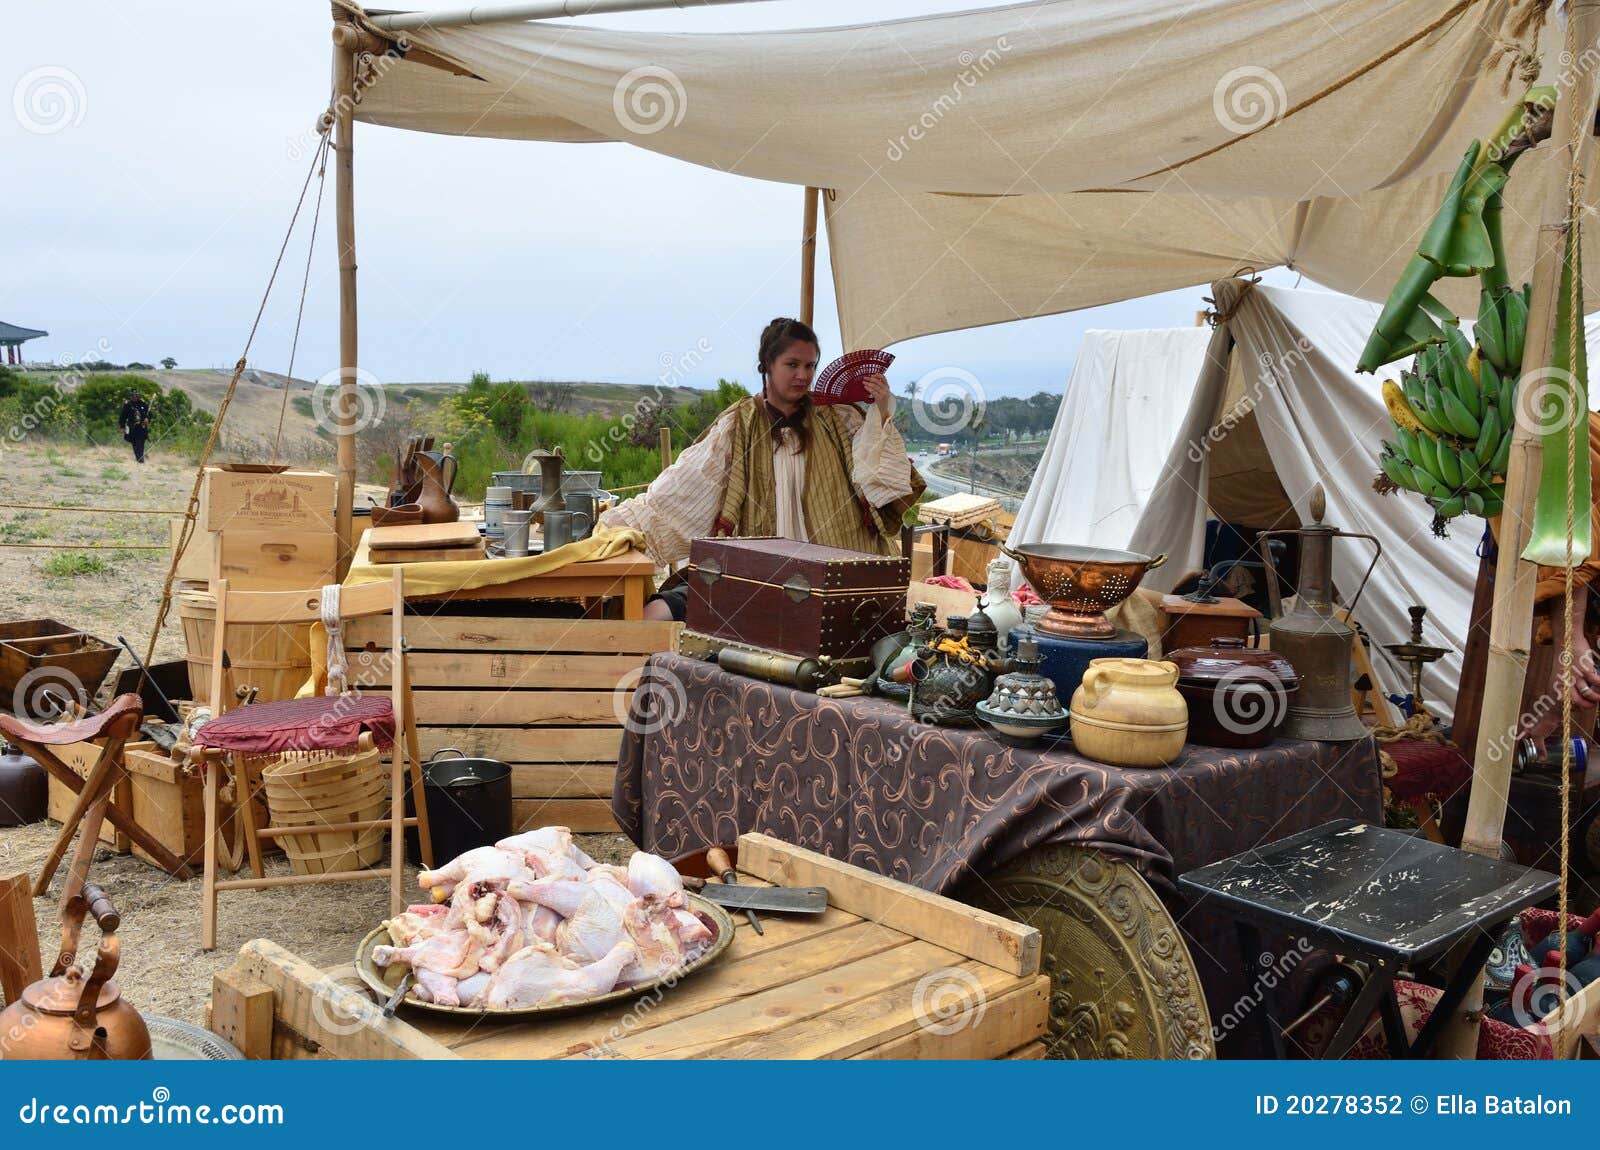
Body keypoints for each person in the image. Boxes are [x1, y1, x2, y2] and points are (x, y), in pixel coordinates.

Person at [599, 317, 925, 621]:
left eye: (810, 366)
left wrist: (882, 410)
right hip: (756, 574)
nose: (803, 375)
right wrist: (620, 524)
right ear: (767, 365)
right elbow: (683, 487)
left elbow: (876, 477)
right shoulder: (739, 425)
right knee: (660, 611)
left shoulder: (837, 419)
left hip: (826, 573)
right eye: (792, 365)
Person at [118, 388, 152, 463]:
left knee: (141, 443)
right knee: (135, 444)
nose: (134, 397)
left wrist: (147, 419)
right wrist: (122, 426)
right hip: (132, 428)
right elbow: (123, 416)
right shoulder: (127, 405)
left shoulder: (143, 404)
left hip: (142, 427)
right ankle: (139, 458)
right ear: (131, 396)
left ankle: (140, 459)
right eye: (133, 396)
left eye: (136, 395)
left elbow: (149, 414)